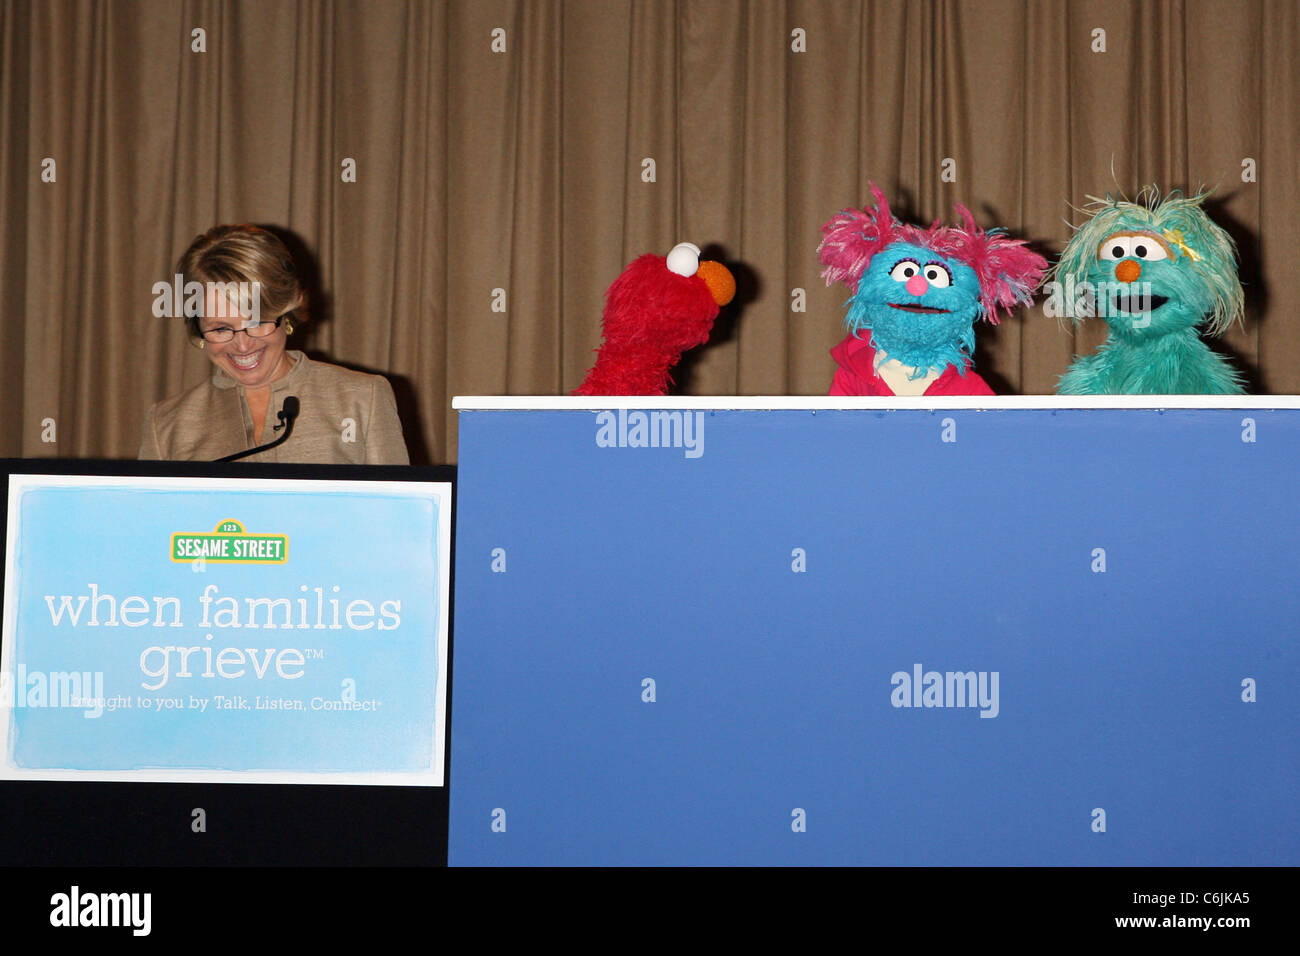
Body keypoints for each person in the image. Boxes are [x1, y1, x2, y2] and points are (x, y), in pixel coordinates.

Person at [139, 224, 409, 464]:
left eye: (257, 322)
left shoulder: (362, 399)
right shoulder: (166, 424)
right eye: (221, 328)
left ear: (287, 314)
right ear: (197, 329)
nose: (242, 346)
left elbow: (399, 515)